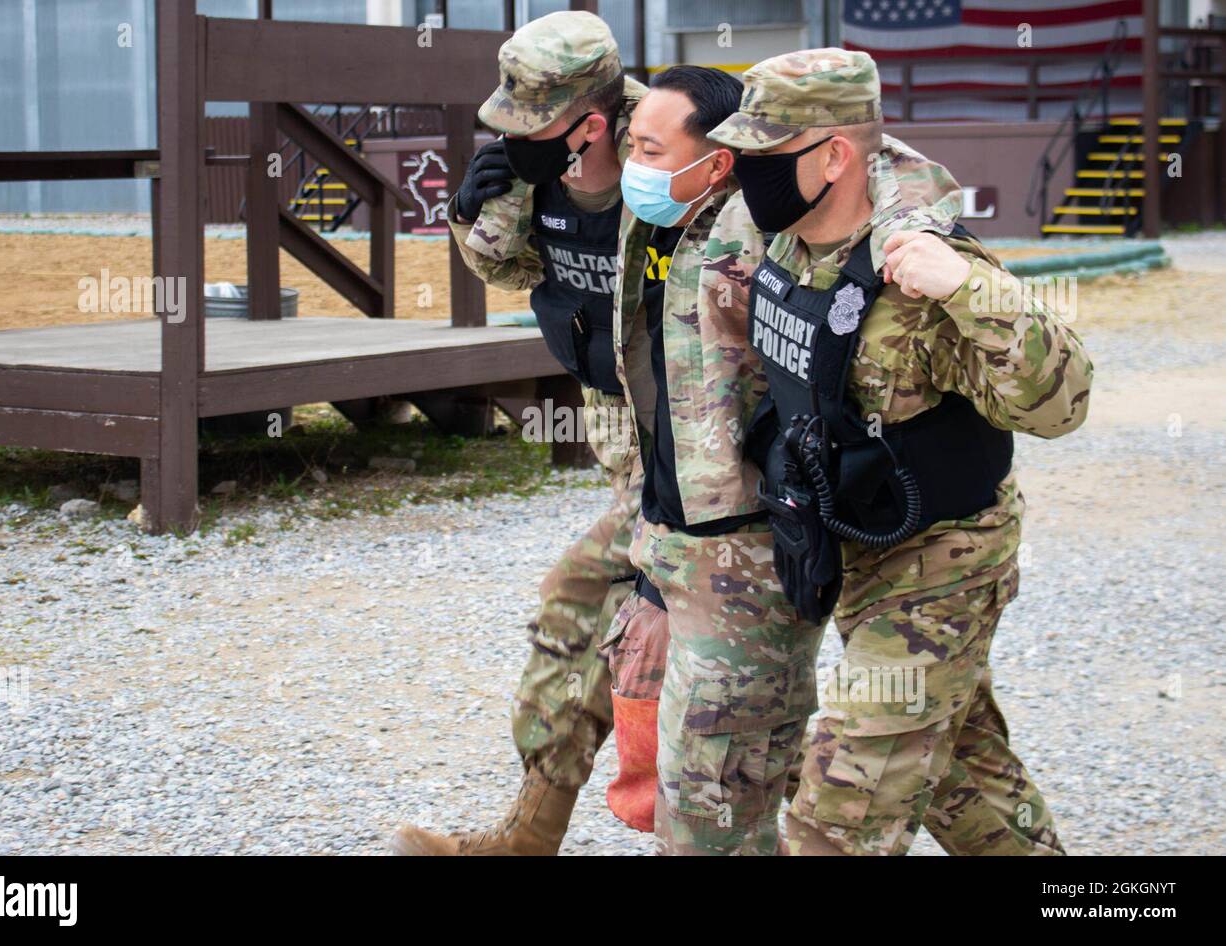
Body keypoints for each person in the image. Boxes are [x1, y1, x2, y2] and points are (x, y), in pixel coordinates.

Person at [706, 49, 1091, 855]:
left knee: (841, 811)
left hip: (945, 564)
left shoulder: (923, 268)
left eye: (765, 154)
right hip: (854, 550)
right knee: (962, 780)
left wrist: (969, 289)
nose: (746, 172)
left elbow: (1061, 405)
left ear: (833, 157)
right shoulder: (784, 241)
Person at [390, 11, 646, 856]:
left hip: (708, 444)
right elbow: (512, 266)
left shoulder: (670, 163)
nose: (510, 139)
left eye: (528, 125)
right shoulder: (537, 174)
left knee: (611, 610)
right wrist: (467, 211)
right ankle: (529, 835)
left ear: (591, 125)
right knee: (617, 614)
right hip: (625, 432)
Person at [604, 65, 827, 855]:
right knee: (717, 790)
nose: (633, 163)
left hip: (747, 554)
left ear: (719, 161)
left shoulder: (765, 234)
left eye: (650, 149)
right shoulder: (656, 222)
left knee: (717, 804)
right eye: (631, 144)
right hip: (672, 539)